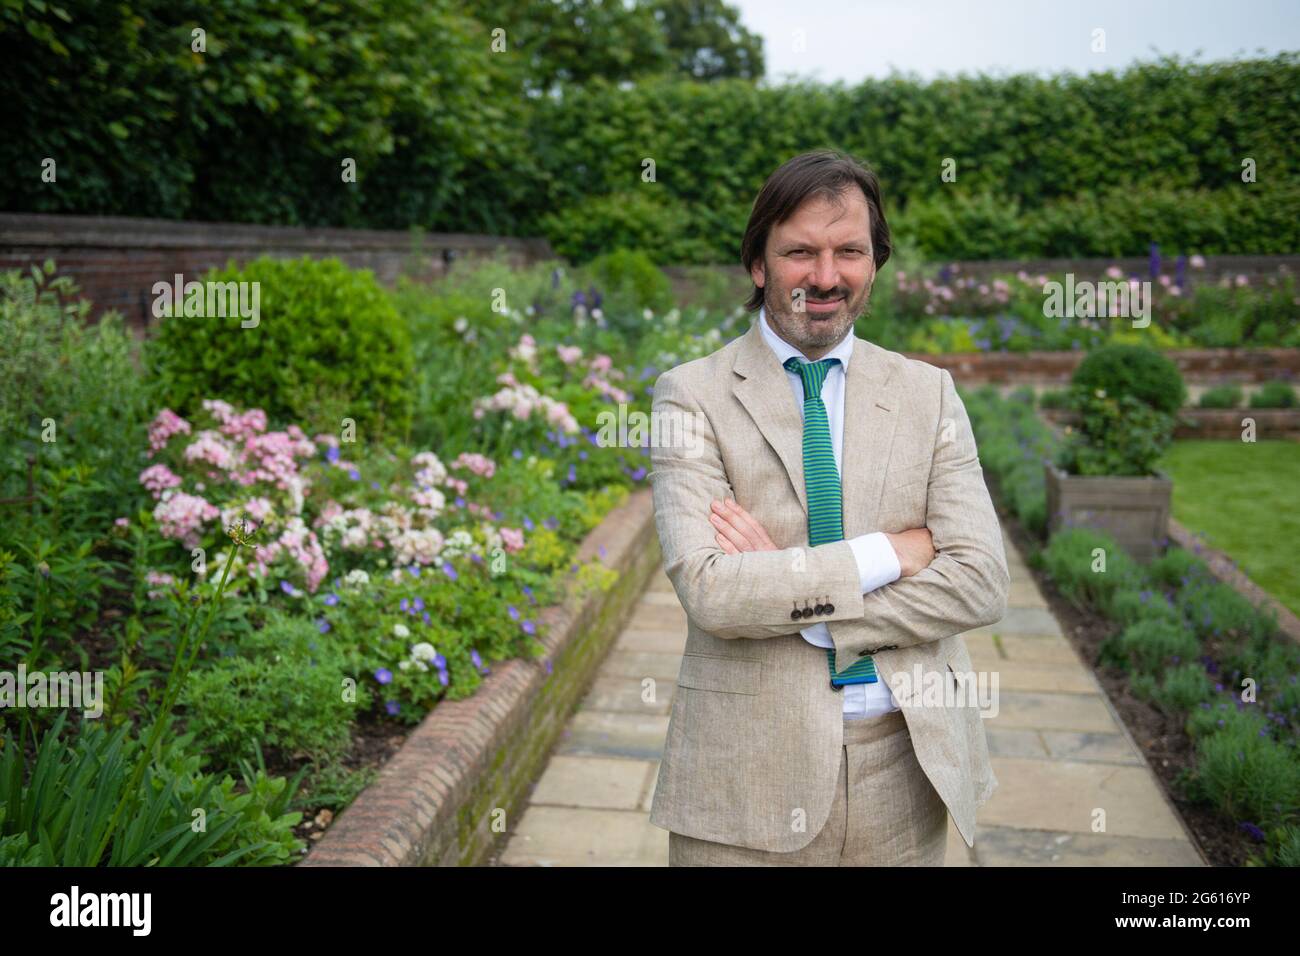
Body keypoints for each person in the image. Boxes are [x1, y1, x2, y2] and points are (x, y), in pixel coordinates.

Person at [646, 148, 1008, 865]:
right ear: (758, 264)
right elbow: (712, 593)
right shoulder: (689, 396)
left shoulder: (927, 394)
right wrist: (886, 555)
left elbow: (980, 579)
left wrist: (795, 597)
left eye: (850, 251)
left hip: (906, 771)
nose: (825, 276)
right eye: (799, 252)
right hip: (743, 773)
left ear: (874, 262)